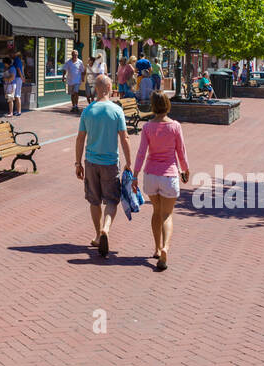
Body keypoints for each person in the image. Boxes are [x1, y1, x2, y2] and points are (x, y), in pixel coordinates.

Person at [75, 74, 134, 258]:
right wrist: (129, 163)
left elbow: (80, 138)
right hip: (110, 162)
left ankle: (97, 235)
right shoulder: (116, 111)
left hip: (91, 162)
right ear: (109, 88)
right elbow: (124, 138)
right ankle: (106, 229)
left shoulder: (88, 111)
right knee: (111, 200)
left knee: (94, 200)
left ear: (96, 89)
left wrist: (78, 162)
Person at [132, 90, 190, 272]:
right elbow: (180, 150)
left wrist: (135, 174)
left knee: (156, 212)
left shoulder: (148, 127)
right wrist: (185, 169)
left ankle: (157, 248)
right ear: (167, 104)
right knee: (167, 215)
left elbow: (141, 152)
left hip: (151, 174)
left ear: (153, 106)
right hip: (169, 175)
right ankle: (165, 247)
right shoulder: (175, 126)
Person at [4, 52, 24, 117]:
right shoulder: (15, 61)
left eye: (11, 54)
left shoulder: (17, 60)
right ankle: (16, 111)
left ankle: (18, 111)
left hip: (17, 79)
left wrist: (22, 78)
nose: (10, 55)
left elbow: (18, 70)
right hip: (17, 79)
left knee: (17, 95)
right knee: (15, 96)